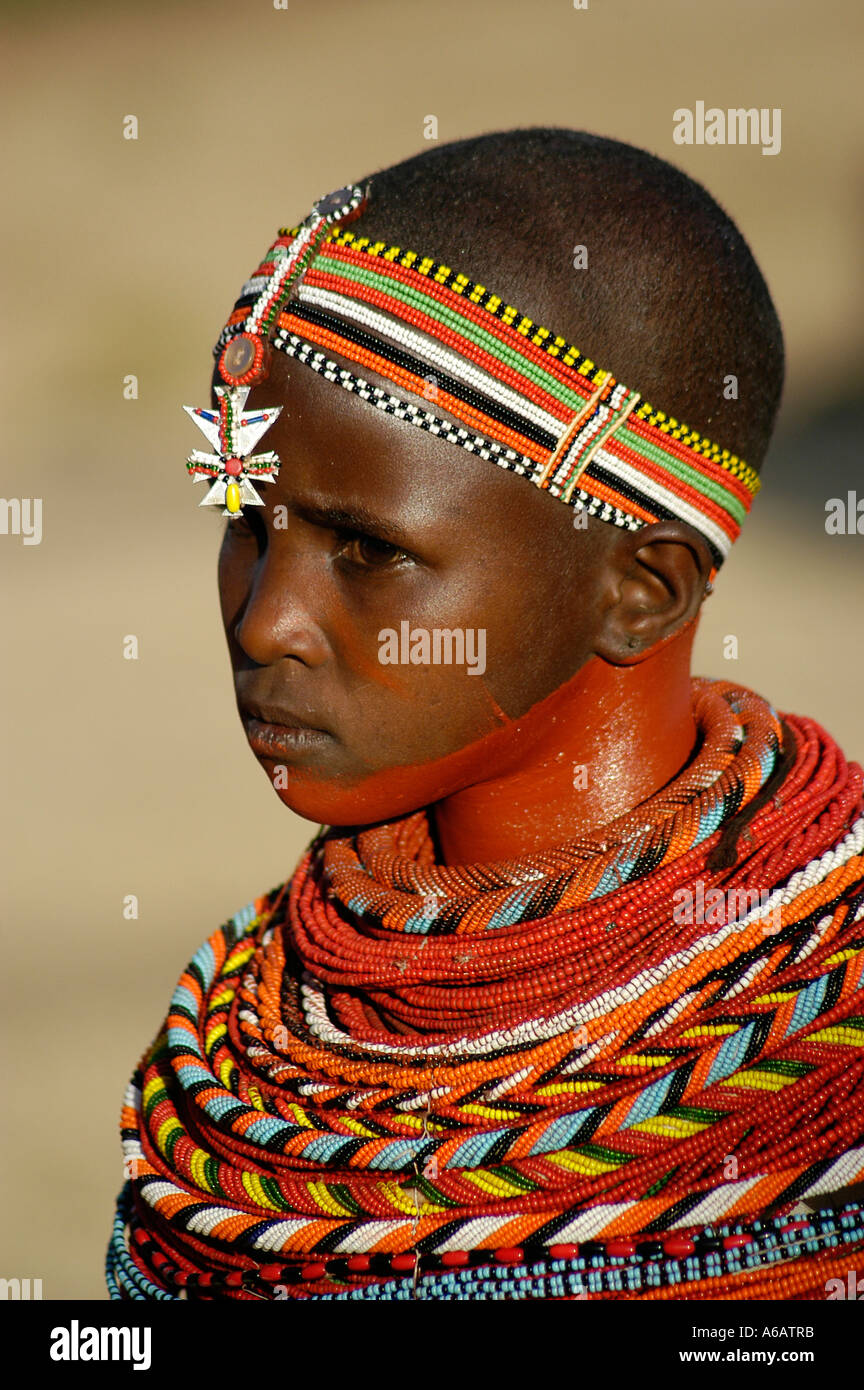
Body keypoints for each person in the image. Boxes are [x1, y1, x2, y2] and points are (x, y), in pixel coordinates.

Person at [107, 129, 864, 1302]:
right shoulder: (243, 1053)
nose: (267, 621)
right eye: (245, 518)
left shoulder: (832, 1050)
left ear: (639, 590)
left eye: (369, 549)